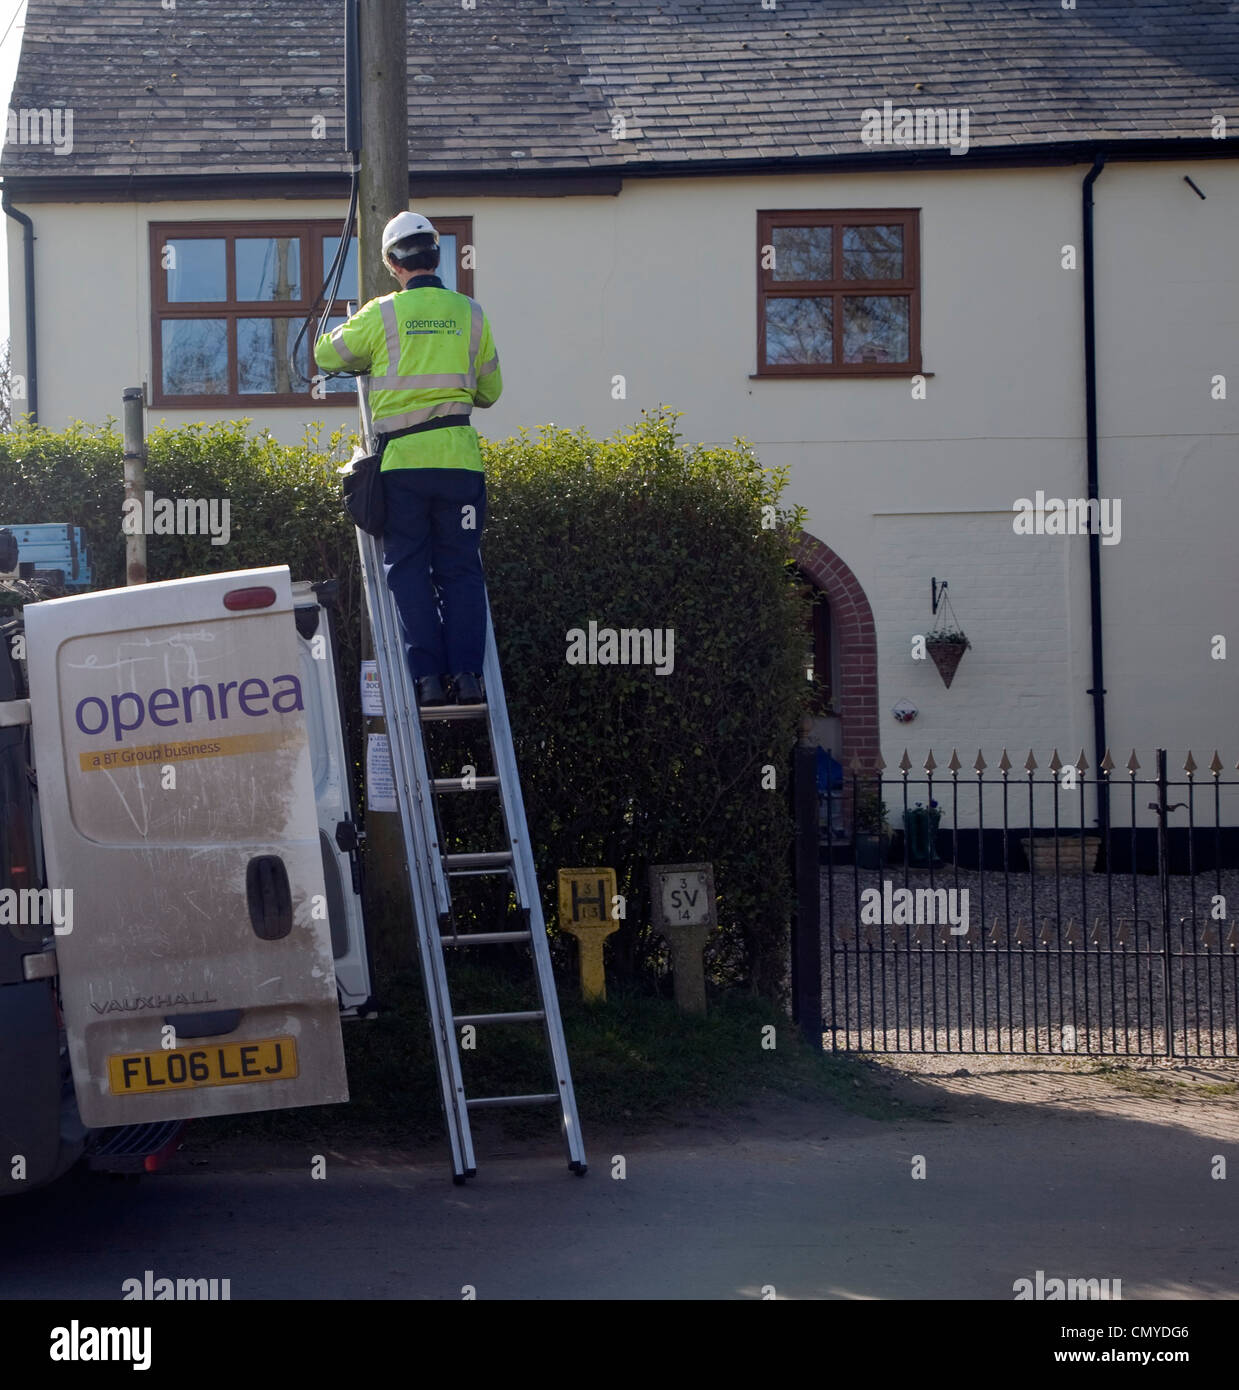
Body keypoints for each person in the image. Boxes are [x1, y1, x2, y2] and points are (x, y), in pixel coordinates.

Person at [315, 211, 502, 706]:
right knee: (461, 569)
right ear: (437, 256)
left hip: (403, 469)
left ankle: (427, 680)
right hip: (460, 465)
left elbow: (324, 355)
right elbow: (491, 392)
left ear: (392, 263)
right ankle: (467, 676)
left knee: (408, 570)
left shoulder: (382, 314)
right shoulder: (472, 314)